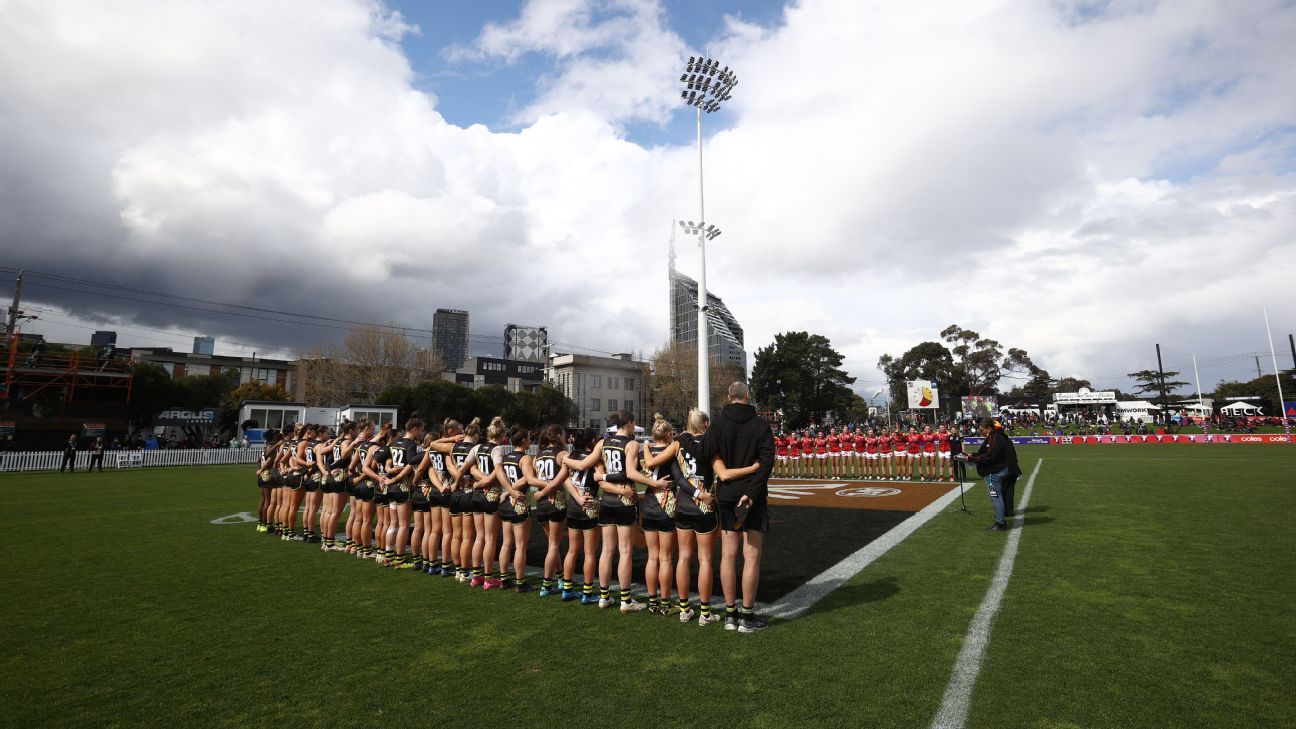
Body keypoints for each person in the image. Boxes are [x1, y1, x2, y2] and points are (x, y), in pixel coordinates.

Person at [703, 382, 775, 634]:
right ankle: (746, 615)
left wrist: (717, 473)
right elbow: (766, 464)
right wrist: (751, 494)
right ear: (748, 396)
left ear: (728, 397)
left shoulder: (718, 424)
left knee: (728, 556)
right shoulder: (761, 425)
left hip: (726, 495)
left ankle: (730, 614)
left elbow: (705, 455)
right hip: (753, 497)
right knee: (751, 556)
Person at [962, 418, 1021, 531]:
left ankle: (1000, 523)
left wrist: (971, 458)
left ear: (988, 428)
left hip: (996, 471)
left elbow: (990, 456)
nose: (981, 432)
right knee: (998, 496)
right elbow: (987, 453)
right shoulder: (997, 436)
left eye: (982, 430)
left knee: (995, 497)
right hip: (1003, 469)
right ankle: (1000, 518)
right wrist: (973, 455)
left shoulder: (994, 437)